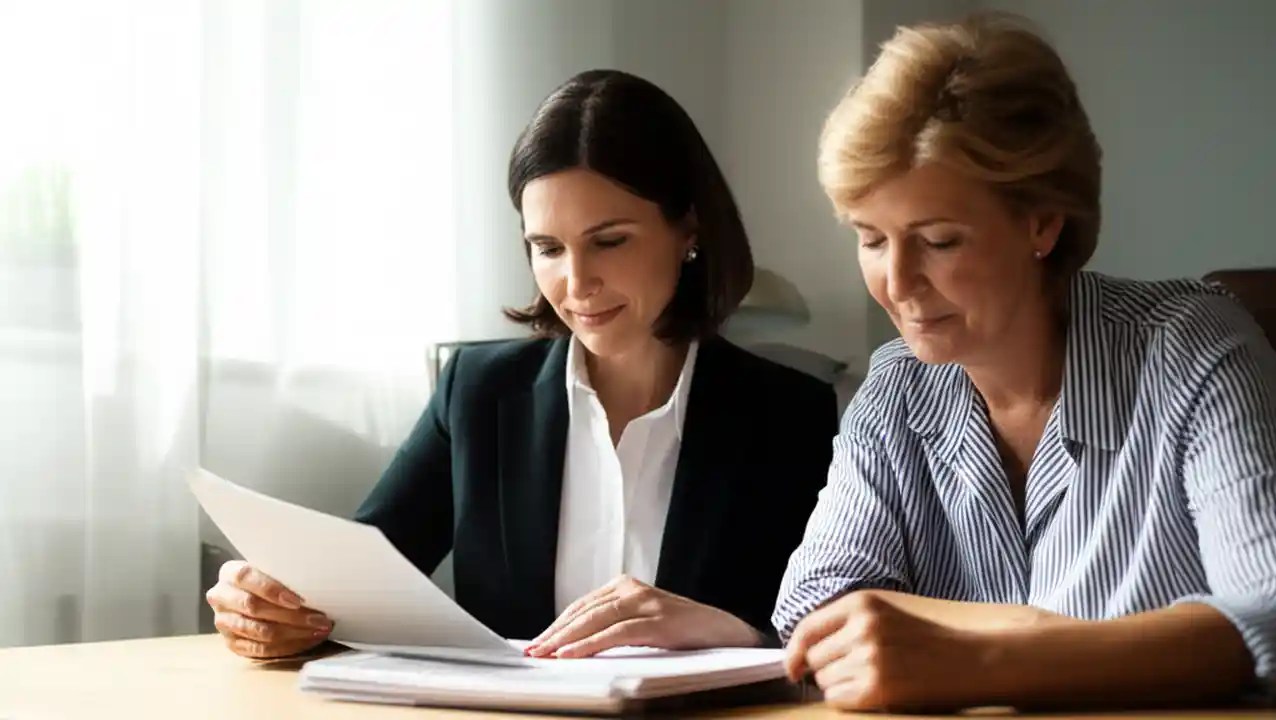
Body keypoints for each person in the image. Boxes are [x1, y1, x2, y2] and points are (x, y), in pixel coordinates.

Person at [206, 69, 837, 660]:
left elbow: (817, 635)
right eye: (548, 248)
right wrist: (274, 609)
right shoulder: (477, 393)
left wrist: (737, 631)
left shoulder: (791, 415)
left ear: (688, 230)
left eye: (609, 241)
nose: (577, 282)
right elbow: (351, 592)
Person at [774, 13, 1276, 712]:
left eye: (940, 241)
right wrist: (1056, 638)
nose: (897, 281)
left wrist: (985, 658)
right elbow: (815, 612)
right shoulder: (893, 389)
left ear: (1043, 221)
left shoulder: (1196, 350)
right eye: (870, 238)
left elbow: (1270, 617)